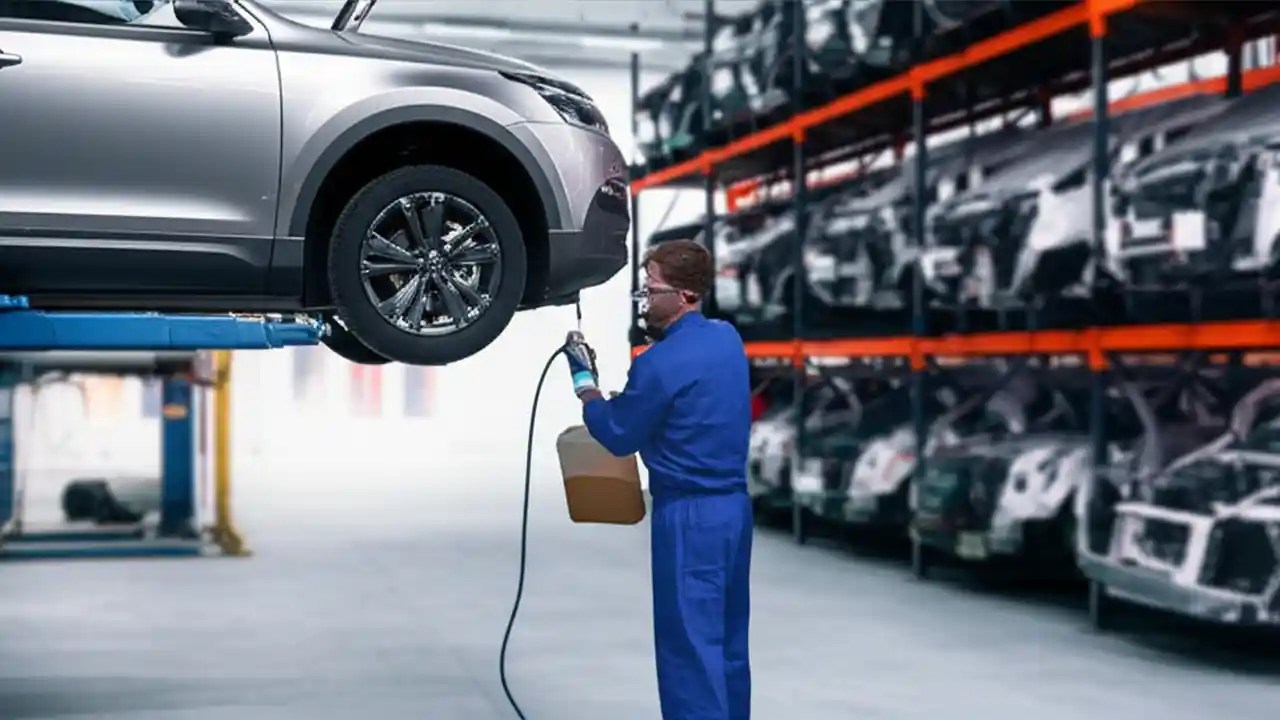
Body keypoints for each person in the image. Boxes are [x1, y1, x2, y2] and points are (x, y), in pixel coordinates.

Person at [564, 239, 753, 720]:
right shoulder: (727, 339)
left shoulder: (658, 365)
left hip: (688, 518)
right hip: (733, 513)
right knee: (727, 645)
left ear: (686, 294)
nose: (644, 299)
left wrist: (586, 387)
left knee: (688, 651)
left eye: (651, 289)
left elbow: (618, 433)